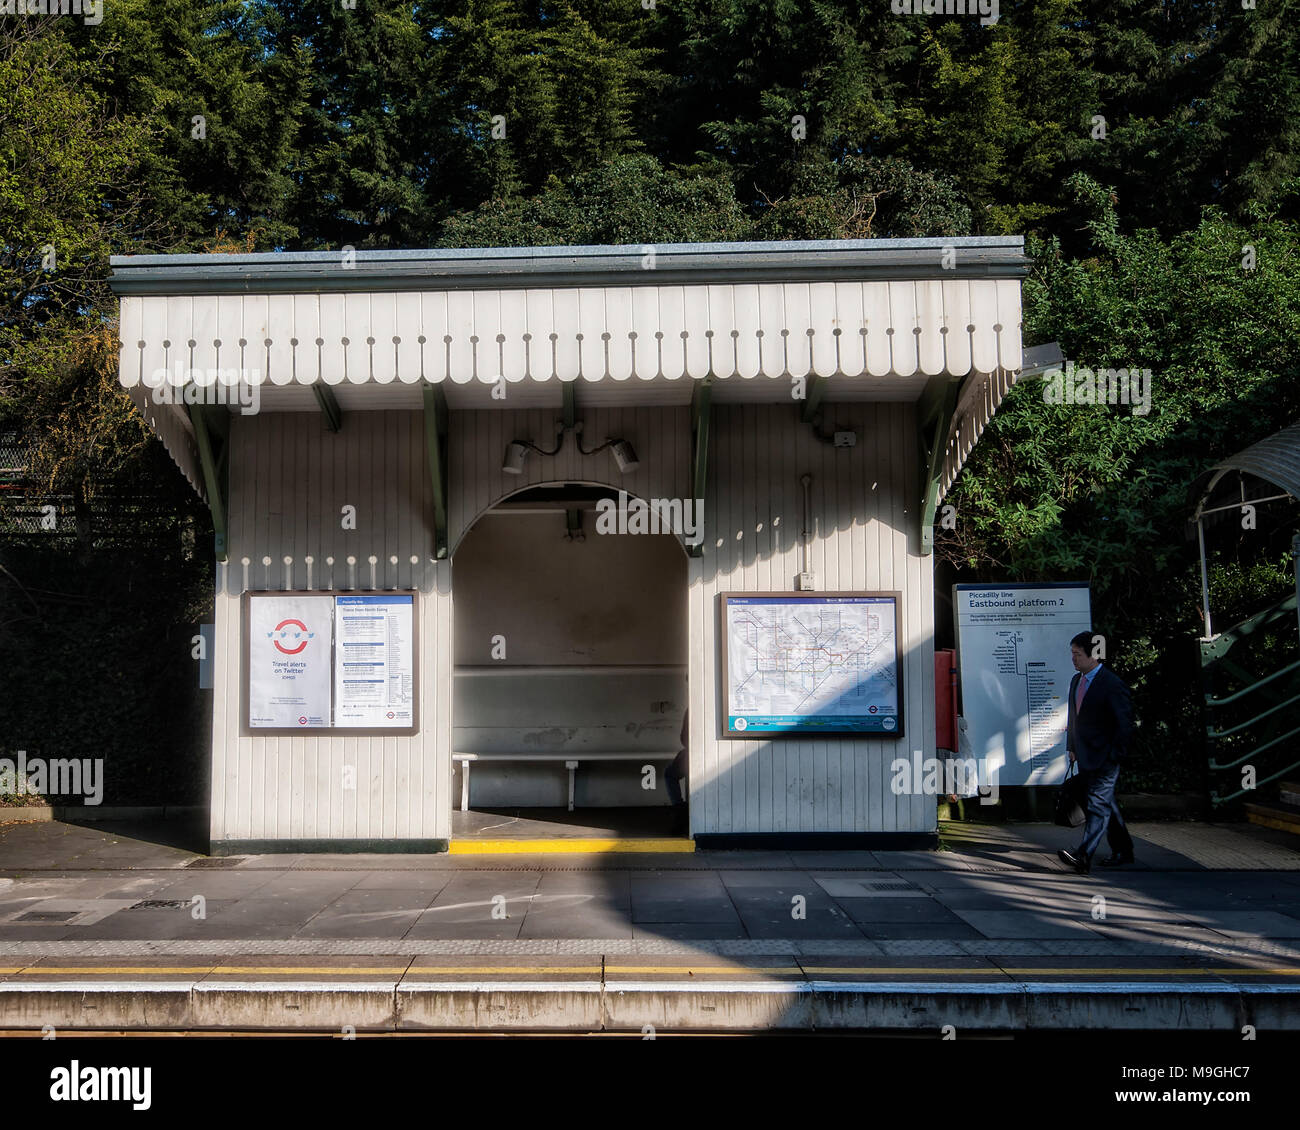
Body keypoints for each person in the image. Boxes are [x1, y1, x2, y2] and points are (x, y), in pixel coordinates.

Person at [1058, 631, 1135, 874]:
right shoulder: (1075, 681)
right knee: (1105, 804)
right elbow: (1074, 718)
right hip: (1085, 755)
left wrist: (1115, 756)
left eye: (1077, 654)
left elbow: (1124, 723)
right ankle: (1124, 850)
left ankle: (1083, 855)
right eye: (1072, 653)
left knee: (1097, 805)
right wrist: (1071, 747)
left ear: (1093, 656)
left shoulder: (1111, 684)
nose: (1073, 659)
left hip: (1105, 759)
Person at [665, 709, 689, 834]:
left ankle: (680, 811)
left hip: (692, 753)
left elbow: (684, 738)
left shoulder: (691, 708)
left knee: (670, 775)